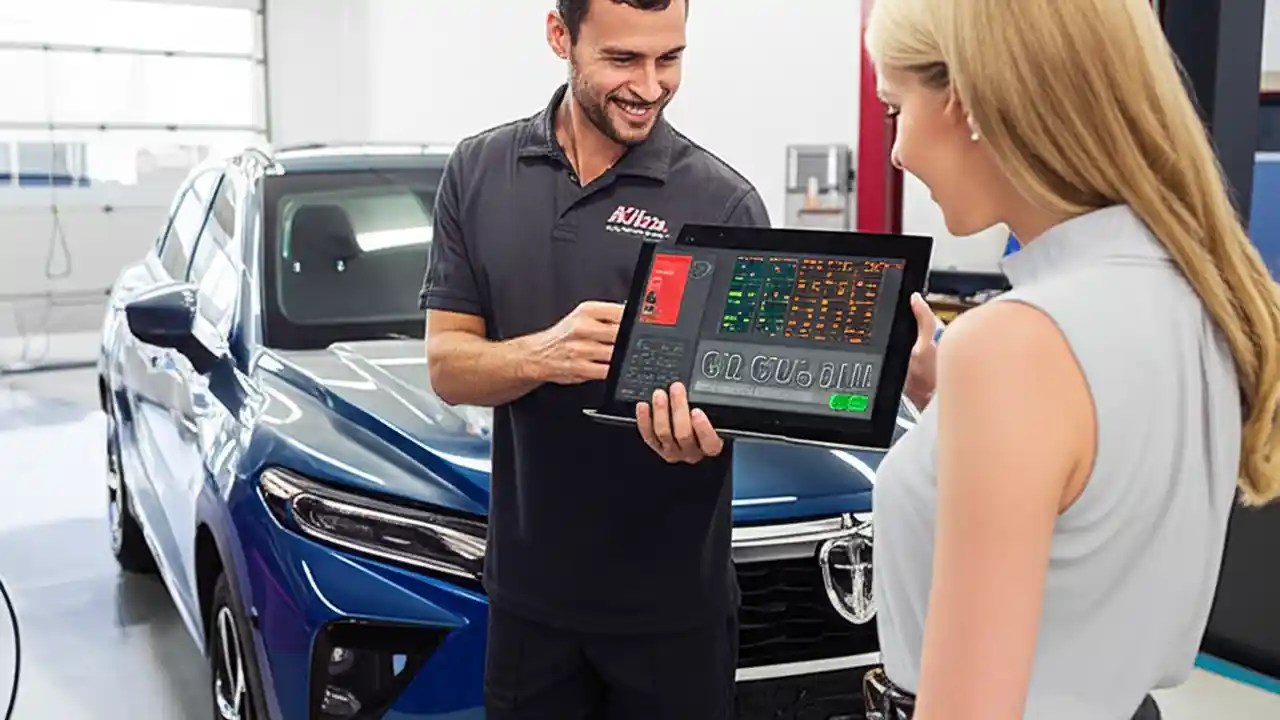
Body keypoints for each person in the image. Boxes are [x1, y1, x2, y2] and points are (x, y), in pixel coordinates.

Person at [855, 0, 1280, 719]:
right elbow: (1089, 502)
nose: (896, 151)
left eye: (896, 109)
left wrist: (978, 391)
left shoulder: (1015, 346)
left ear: (967, 100)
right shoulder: (1201, 297)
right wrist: (946, 409)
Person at [419, 0, 768, 716]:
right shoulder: (479, 172)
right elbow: (449, 368)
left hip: (674, 616)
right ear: (561, 36)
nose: (650, 85)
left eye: (669, 58)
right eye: (622, 59)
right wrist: (544, 355)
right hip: (529, 606)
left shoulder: (724, 204)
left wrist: (706, 431)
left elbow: (741, 401)